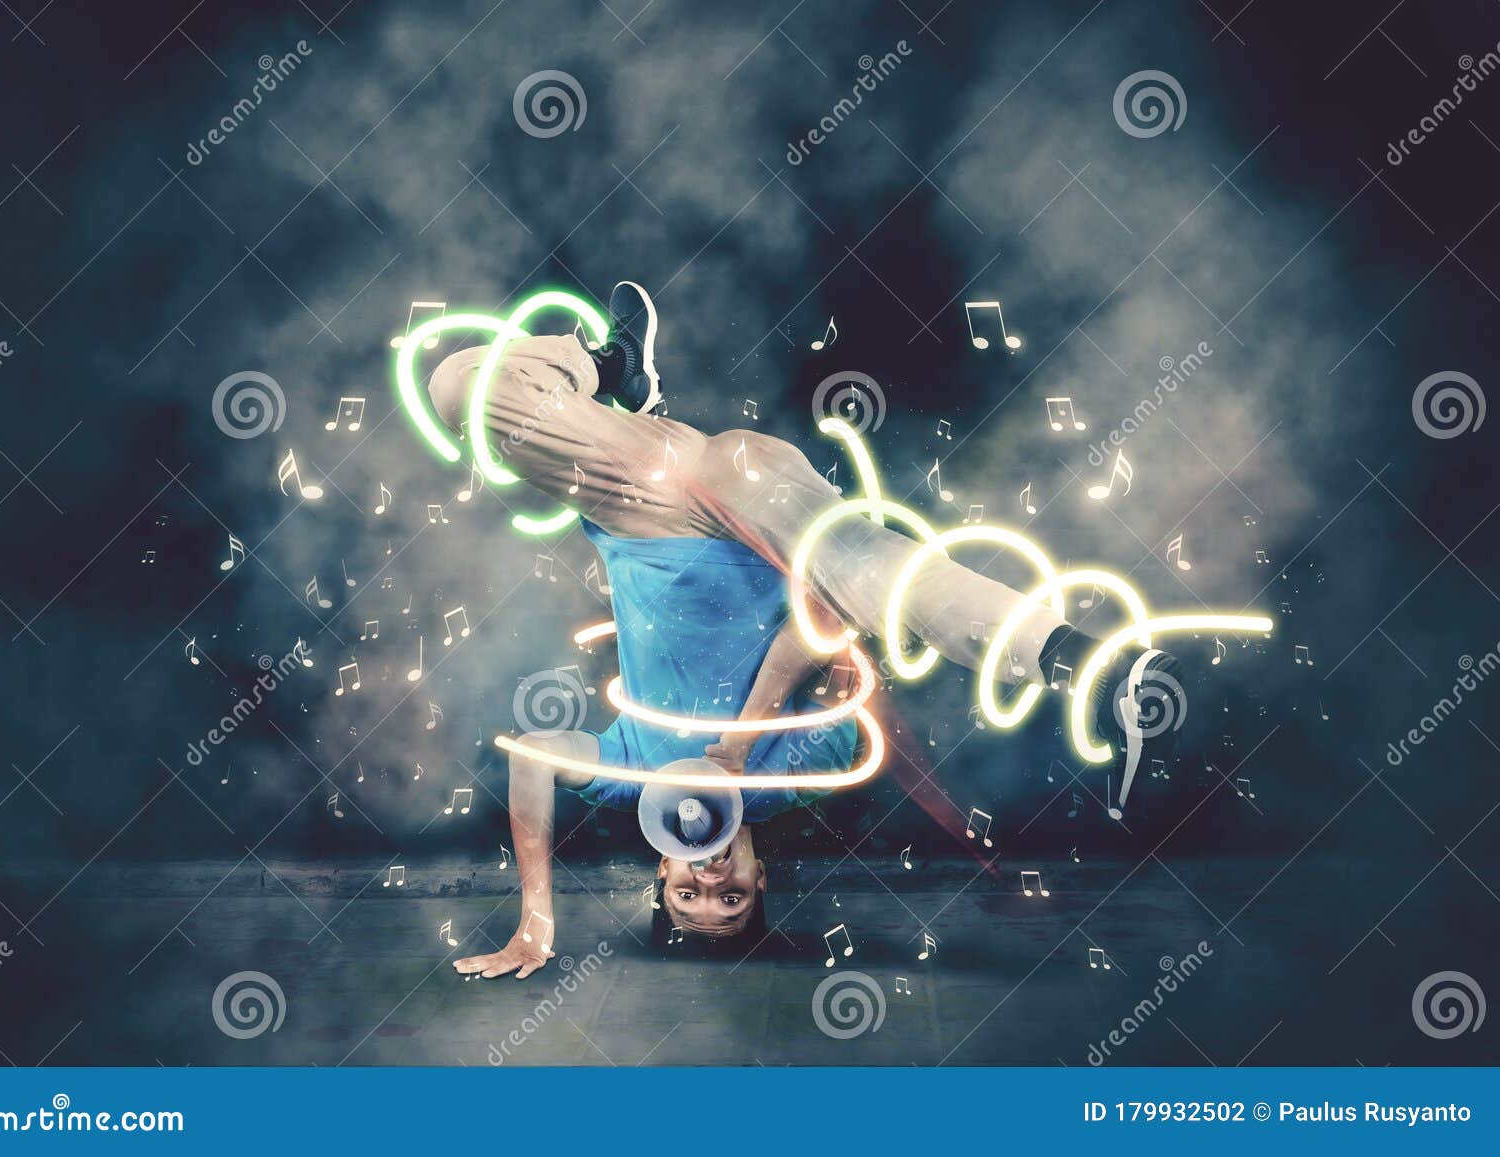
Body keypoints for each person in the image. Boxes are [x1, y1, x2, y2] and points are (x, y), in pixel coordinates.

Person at [447, 282, 1182, 978]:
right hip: (759, 511)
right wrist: (738, 747)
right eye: (732, 897)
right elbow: (824, 622)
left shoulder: (628, 768)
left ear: (661, 872)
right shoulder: (796, 770)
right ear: (761, 875)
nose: (710, 878)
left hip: (647, 509)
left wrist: (535, 918)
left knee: (459, 387)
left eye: (688, 894)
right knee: (865, 572)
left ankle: (607, 366)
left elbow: (535, 756)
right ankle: (1084, 663)